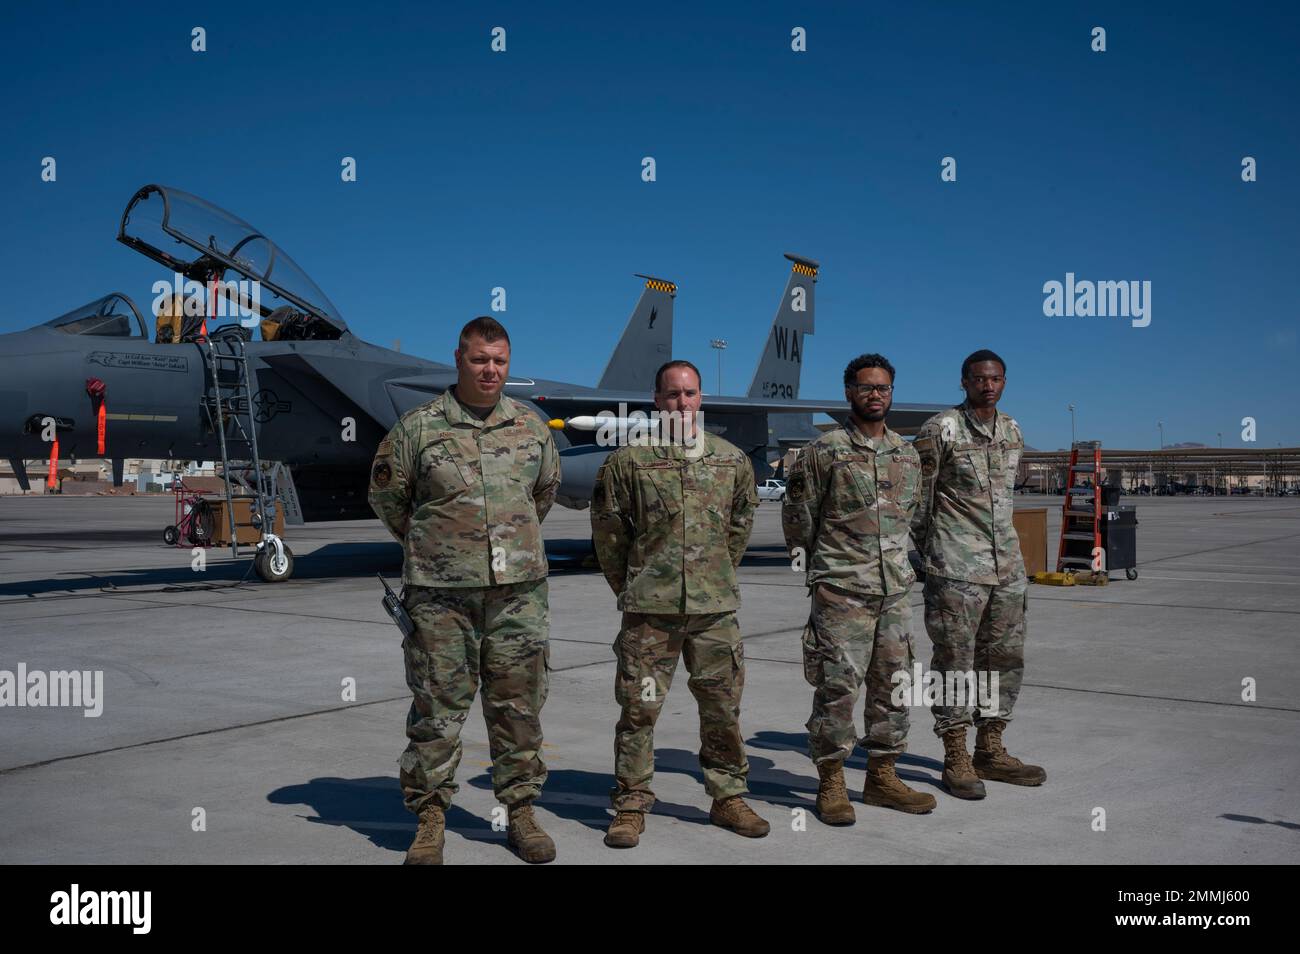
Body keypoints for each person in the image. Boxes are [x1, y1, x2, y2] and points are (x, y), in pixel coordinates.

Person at [368, 316, 561, 864]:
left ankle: (521, 812)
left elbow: (540, 497)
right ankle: (430, 818)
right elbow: (390, 502)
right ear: (459, 359)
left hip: (518, 595)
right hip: (439, 597)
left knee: (519, 708)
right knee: (436, 709)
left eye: (499, 360)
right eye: (480, 360)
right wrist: (443, 548)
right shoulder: (418, 429)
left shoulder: (531, 429)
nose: (491, 370)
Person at [590, 360, 768, 848]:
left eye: (690, 394)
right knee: (639, 710)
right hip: (651, 616)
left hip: (714, 614)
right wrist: (638, 588)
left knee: (721, 709)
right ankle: (631, 801)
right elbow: (609, 537)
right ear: (657, 399)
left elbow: (738, 530)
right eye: (672, 395)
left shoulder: (731, 461)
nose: (682, 403)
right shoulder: (628, 462)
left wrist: (713, 578)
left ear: (701, 398)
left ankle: (727, 795)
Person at [782, 353, 935, 825]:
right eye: (867, 387)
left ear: (891, 393)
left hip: (894, 592)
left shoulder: (908, 454)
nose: (876, 395)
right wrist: (822, 572)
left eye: (883, 388)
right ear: (849, 392)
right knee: (837, 688)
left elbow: (917, 516)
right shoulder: (824, 451)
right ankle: (830, 780)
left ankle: (882, 776)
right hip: (842, 591)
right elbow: (799, 518)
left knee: (894, 684)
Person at [911, 349, 1046, 799]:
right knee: (955, 661)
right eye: (978, 379)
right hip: (955, 566)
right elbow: (918, 499)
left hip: (1006, 565)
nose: (988, 385)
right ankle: (956, 754)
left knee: (1004, 659)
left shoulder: (1012, 429)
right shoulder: (940, 430)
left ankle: (991, 746)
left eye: (995, 379)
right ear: (964, 382)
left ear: (1004, 382)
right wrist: (932, 554)